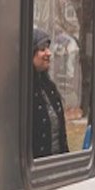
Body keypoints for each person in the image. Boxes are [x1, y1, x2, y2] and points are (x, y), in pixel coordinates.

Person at [31, 27, 70, 158]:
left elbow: (61, 135)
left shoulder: (49, 87)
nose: (48, 53)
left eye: (48, 48)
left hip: (57, 164)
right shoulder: (20, 91)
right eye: (42, 49)